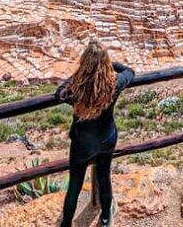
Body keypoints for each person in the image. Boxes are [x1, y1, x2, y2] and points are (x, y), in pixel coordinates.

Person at [55, 40, 135, 227]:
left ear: (84, 63)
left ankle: (66, 223)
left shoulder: (76, 88)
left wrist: (78, 74)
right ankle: (106, 218)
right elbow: (130, 72)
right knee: (104, 176)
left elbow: (59, 94)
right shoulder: (114, 83)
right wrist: (111, 64)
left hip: (82, 143)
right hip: (107, 139)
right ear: (105, 62)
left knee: (75, 184)